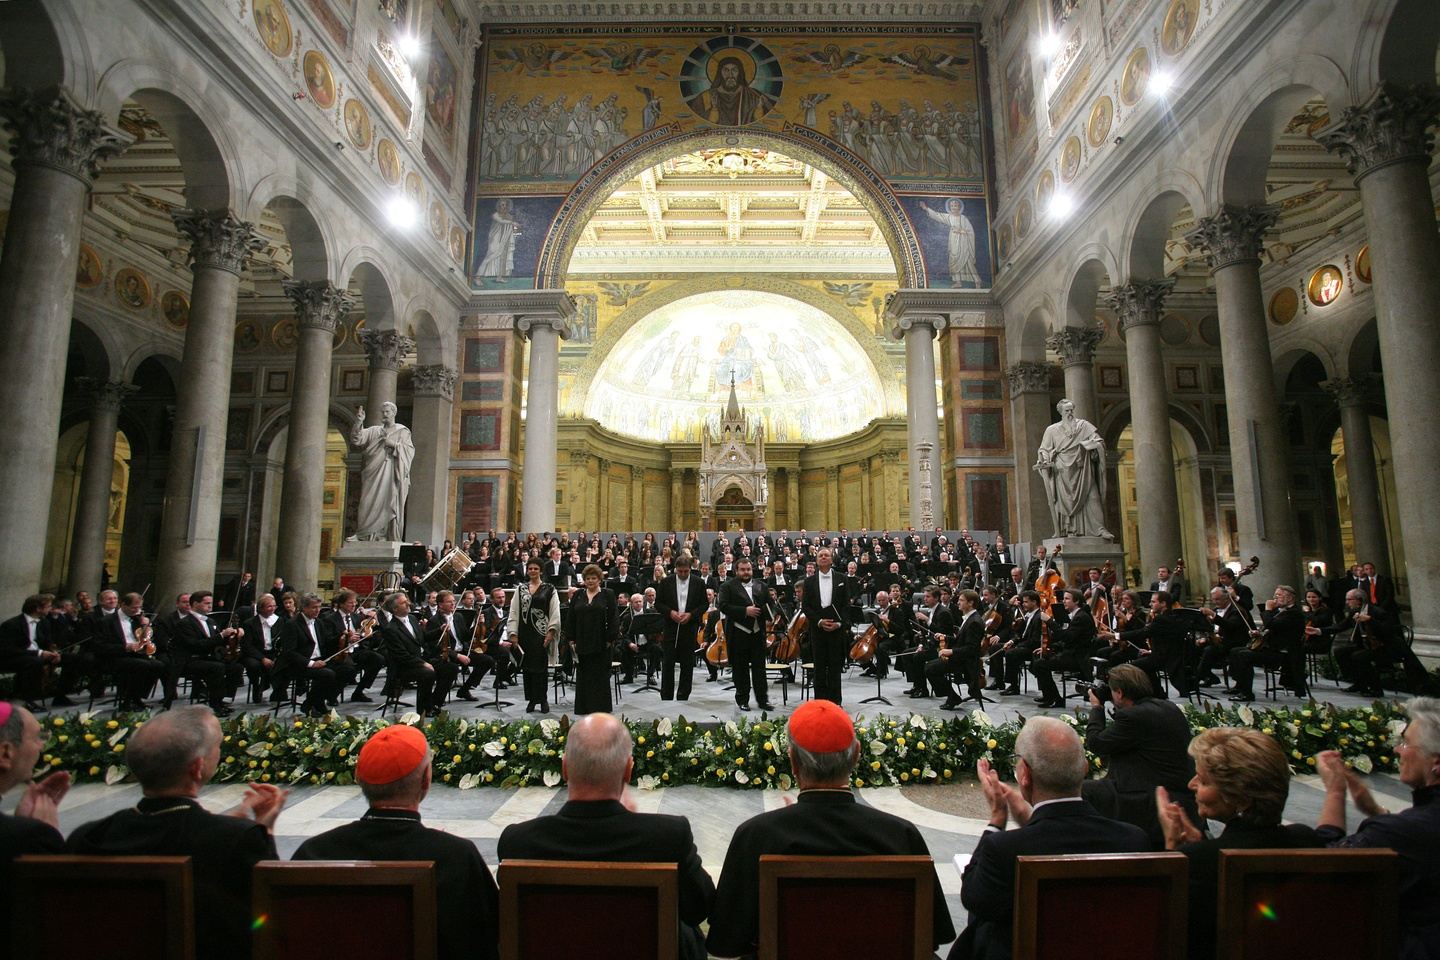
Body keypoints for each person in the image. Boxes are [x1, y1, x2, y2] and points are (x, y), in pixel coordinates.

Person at [707, 700, 955, 958]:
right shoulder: (901, 835)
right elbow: (932, 936)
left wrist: (785, 821)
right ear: (857, 755)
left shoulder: (756, 835)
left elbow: (725, 943)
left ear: (792, 761)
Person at [66, 707, 288, 960]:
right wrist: (264, 829)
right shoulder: (236, 840)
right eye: (217, 745)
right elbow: (270, 916)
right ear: (198, 767)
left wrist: (229, 826)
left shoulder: (88, 836)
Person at [498, 714, 715, 960]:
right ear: (628, 771)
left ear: (565, 768)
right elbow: (700, 908)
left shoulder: (517, 842)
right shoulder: (667, 837)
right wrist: (638, 825)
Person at [950, 716, 1150, 960]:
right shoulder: (1133, 840)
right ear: (1085, 768)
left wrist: (997, 818)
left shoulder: (1004, 849)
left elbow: (975, 899)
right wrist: (1030, 820)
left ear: (1024, 774)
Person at [294, 724, 499, 960]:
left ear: (359, 778)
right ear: (426, 780)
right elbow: (485, 940)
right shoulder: (455, 857)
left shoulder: (314, 854)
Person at [1156, 727, 1324, 960]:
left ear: (1240, 798)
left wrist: (1173, 852)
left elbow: (1168, 936)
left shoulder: (1197, 863)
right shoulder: (1305, 840)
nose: (1191, 785)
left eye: (1203, 781)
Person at [1314, 697, 1440, 958]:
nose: (1397, 750)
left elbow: (1318, 869)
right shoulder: (1405, 828)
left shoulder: (1398, 833)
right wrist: (1377, 812)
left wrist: (1336, 792)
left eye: (1406, 743)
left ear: (1436, 763)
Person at [1081, 664, 1198, 844]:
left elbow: (1096, 743)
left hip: (1151, 795)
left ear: (1119, 693)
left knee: (1082, 790)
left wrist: (1097, 707)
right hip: (1178, 790)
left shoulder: (1133, 717)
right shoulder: (1168, 706)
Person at [0, 702, 68, 893]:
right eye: (37, 737)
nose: (41, 746)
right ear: (6, 753)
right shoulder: (29, 838)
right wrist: (39, 832)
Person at [1034, 398, 1111, 539]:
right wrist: (1044, 459)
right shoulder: (1052, 430)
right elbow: (1044, 449)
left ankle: (1099, 528)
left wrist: (1096, 446)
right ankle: (1068, 530)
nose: (1070, 413)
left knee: (1093, 498)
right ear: (1061, 413)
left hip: (1083, 470)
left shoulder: (1084, 426)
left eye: (1071, 410)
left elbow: (1098, 441)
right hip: (1062, 472)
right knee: (1064, 504)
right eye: (1067, 411)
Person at [277, 593, 353, 716]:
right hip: (299, 663)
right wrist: (311, 663)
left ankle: (315, 701)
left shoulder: (318, 622)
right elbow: (289, 652)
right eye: (314, 607)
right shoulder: (292, 624)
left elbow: (327, 643)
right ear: (304, 608)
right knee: (327, 674)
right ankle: (313, 704)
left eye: (319, 607)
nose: (318, 610)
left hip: (319, 659)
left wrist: (343, 637)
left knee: (348, 669)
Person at [1227, 584, 1306, 702]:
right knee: (1235, 651)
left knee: (1245, 656)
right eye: (1275, 595)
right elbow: (1274, 629)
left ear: (1289, 598)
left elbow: (1272, 624)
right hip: (1272, 648)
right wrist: (1259, 634)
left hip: (1284, 654)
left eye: (1278, 596)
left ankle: (1247, 693)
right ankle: (1240, 685)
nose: (1275, 599)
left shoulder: (1295, 613)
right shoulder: (1279, 612)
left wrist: (1267, 609)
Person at [348, 401, 414, 541]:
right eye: (382, 412)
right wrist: (359, 422)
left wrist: (394, 445)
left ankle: (383, 535)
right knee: (367, 501)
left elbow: (409, 452)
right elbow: (357, 439)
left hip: (392, 473)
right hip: (373, 472)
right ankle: (363, 533)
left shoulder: (402, 431)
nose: (384, 414)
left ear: (394, 413)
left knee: (388, 502)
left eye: (387, 412)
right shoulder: (374, 431)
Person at [172, 590, 245, 716]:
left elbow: (218, 642)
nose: (210, 606)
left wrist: (234, 635)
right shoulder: (184, 623)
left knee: (236, 667)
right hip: (191, 659)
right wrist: (222, 635)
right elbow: (196, 645)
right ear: (195, 604)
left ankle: (221, 698)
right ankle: (214, 705)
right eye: (207, 603)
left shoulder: (210, 621)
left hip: (209, 657)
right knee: (217, 668)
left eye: (211, 603)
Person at [717, 557, 774, 712]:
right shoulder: (727, 586)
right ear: (736, 571)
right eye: (742, 569)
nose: (746, 572)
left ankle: (763, 700)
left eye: (748, 569)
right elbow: (723, 606)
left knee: (760, 670)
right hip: (738, 633)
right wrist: (745, 611)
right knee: (740, 670)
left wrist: (772, 614)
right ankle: (742, 700)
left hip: (757, 634)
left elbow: (770, 605)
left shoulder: (761, 585)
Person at [509, 559, 560, 713]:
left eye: (535, 568)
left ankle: (543, 699)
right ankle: (531, 700)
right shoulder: (521, 588)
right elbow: (514, 610)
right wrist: (513, 633)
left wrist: (551, 632)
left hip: (541, 634)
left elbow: (555, 611)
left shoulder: (549, 588)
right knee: (528, 669)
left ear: (541, 570)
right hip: (525, 633)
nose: (532, 571)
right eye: (530, 568)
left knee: (540, 669)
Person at [1028, 589, 1095, 708]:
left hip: (1078, 658)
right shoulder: (1076, 615)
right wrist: (1048, 648)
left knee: (1040, 664)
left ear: (1077, 601)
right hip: (1071, 653)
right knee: (1039, 658)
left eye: (1067, 599)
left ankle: (1055, 699)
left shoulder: (1081, 617)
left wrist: (1050, 621)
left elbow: (1068, 637)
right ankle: (1048, 694)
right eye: (1064, 598)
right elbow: (1067, 639)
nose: (1063, 601)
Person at [567, 564, 619, 714]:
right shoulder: (578, 595)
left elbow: (614, 618)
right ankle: (584, 708)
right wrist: (571, 639)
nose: (590, 581)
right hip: (581, 642)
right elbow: (571, 617)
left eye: (593, 578)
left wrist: (610, 639)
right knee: (583, 676)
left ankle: (600, 708)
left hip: (601, 643)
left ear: (599, 580)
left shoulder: (608, 594)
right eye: (587, 578)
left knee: (600, 677)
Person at [654, 553, 707, 701]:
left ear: (690, 569)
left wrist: (691, 615)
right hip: (671, 626)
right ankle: (666, 695)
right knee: (668, 662)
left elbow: (704, 604)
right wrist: (670, 613)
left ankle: (683, 695)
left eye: (686, 571)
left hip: (689, 627)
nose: (683, 574)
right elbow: (658, 603)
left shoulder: (698, 583)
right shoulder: (666, 582)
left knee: (687, 663)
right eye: (680, 571)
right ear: (675, 569)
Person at [804, 547, 852, 704]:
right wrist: (819, 621)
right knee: (819, 667)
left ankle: (835, 701)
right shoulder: (809, 581)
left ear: (832, 559)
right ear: (817, 560)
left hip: (836, 629)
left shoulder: (842, 578)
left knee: (835, 666)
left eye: (827, 555)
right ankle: (820, 702)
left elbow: (846, 605)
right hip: (817, 629)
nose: (823, 557)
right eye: (820, 555)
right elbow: (806, 607)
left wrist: (839, 623)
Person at [380, 591, 439, 716]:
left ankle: (435, 703)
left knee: (449, 668)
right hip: (404, 667)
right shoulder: (390, 629)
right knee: (427, 673)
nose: (408, 604)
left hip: (420, 659)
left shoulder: (412, 618)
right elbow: (402, 656)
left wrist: (440, 630)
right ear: (395, 609)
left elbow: (423, 638)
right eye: (403, 603)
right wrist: (423, 663)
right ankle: (424, 710)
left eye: (406, 600)